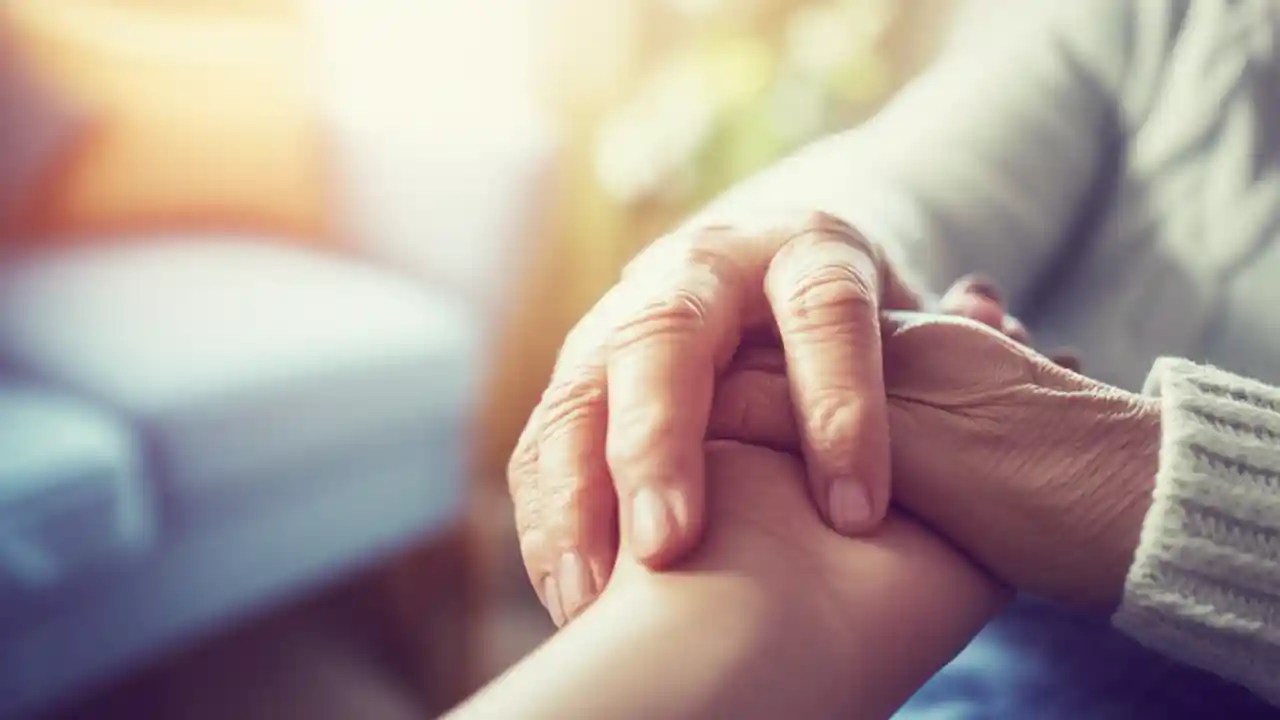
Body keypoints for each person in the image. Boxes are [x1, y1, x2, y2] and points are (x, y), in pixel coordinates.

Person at [508, 0, 1280, 715]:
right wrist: (805, 253)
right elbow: (911, 171)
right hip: (976, 603)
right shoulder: (1183, 19)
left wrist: (1138, 472)